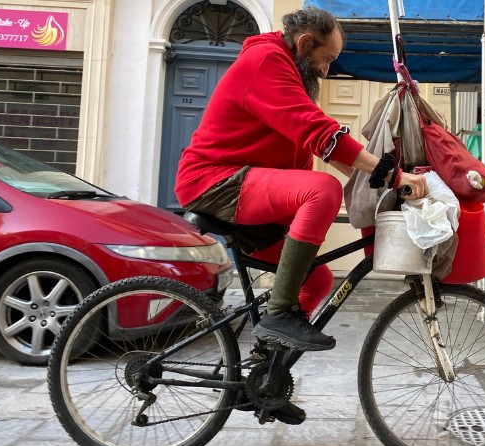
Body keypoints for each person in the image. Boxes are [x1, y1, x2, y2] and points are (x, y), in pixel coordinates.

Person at [175, 4, 426, 411]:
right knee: (320, 191)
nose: (327, 71)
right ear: (305, 43)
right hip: (215, 182)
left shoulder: (287, 72)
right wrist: (391, 174)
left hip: (245, 191)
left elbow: (323, 146)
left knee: (318, 280)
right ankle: (279, 314)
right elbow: (318, 131)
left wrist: (383, 180)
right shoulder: (265, 61)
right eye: (326, 59)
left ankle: (265, 379)